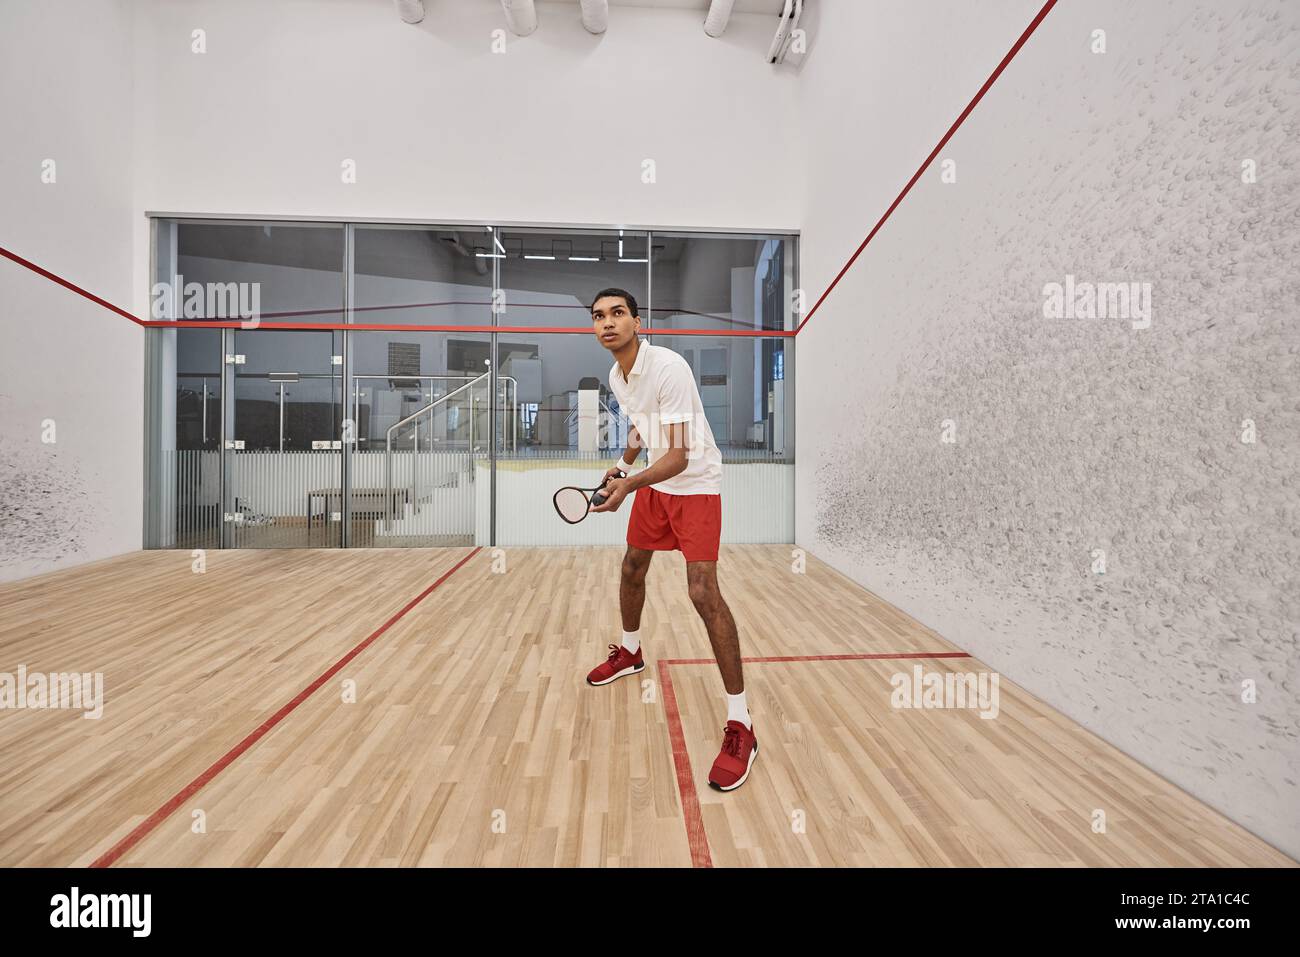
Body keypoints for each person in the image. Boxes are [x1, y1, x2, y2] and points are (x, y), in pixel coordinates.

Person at [584, 287, 757, 792]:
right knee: (632, 566)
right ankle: (632, 652)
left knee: (702, 591)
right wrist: (621, 467)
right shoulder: (619, 376)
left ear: (638, 321)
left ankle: (741, 722)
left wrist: (626, 487)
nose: (608, 323)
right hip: (656, 484)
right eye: (598, 317)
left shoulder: (669, 367)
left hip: (695, 484)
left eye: (618, 314)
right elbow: (643, 432)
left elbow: (680, 455)